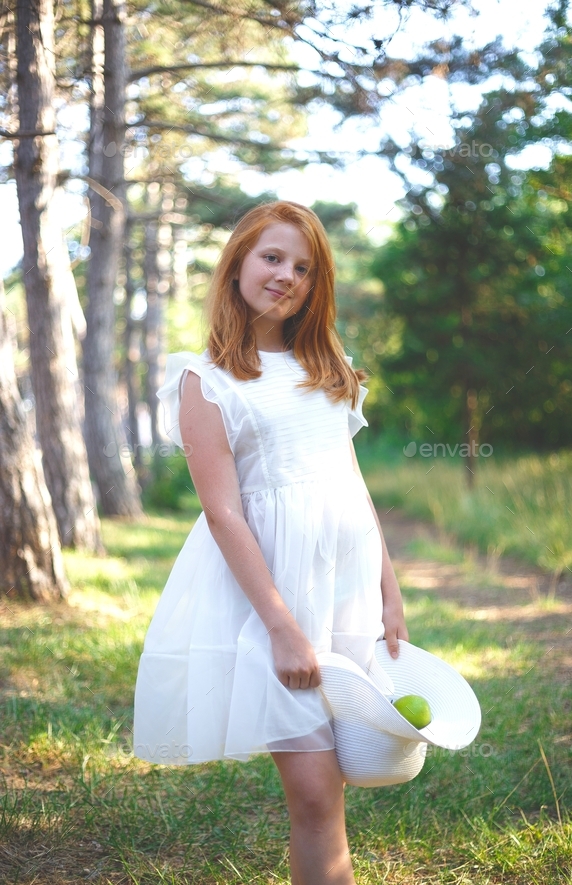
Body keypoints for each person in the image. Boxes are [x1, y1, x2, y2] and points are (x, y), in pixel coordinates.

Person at [133, 200, 409, 884]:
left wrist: (389, 588)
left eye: (304, 267)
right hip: (272, 603)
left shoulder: (328, 368)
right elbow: (224, 513)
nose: (287, 275)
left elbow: (352, 483)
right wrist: (282, 626)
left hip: (344, 593)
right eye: (273, 257)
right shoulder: (207, 380)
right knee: (314, 792)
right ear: (237, 265)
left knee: (343, 776)